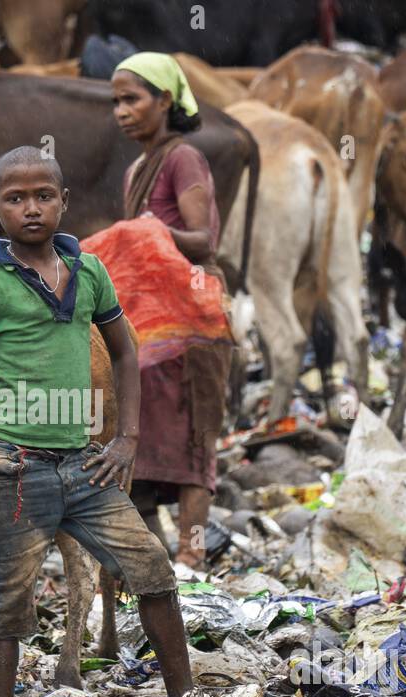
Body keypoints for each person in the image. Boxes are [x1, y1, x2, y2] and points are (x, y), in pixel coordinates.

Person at [0, 147, 262, 697]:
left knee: (153, 569)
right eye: (15, 199)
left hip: (86, 466)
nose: (31, 208)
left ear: (64, 202)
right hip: (14, 468)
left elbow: (125, 350)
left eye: (43, 196)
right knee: (9, 604)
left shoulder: (88, 273)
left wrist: (128, 438)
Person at [111, 52, 234, 570]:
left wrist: (145, 232)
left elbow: (203, 239)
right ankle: (157, 565)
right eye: (116, 102)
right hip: (150, 328)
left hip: (193, 319)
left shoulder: (184, 159)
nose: (121, 111)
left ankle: (193, 556)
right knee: (141, 445)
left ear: (164, 99)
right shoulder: (136, 170)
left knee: (193, 443)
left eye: (132, 99)